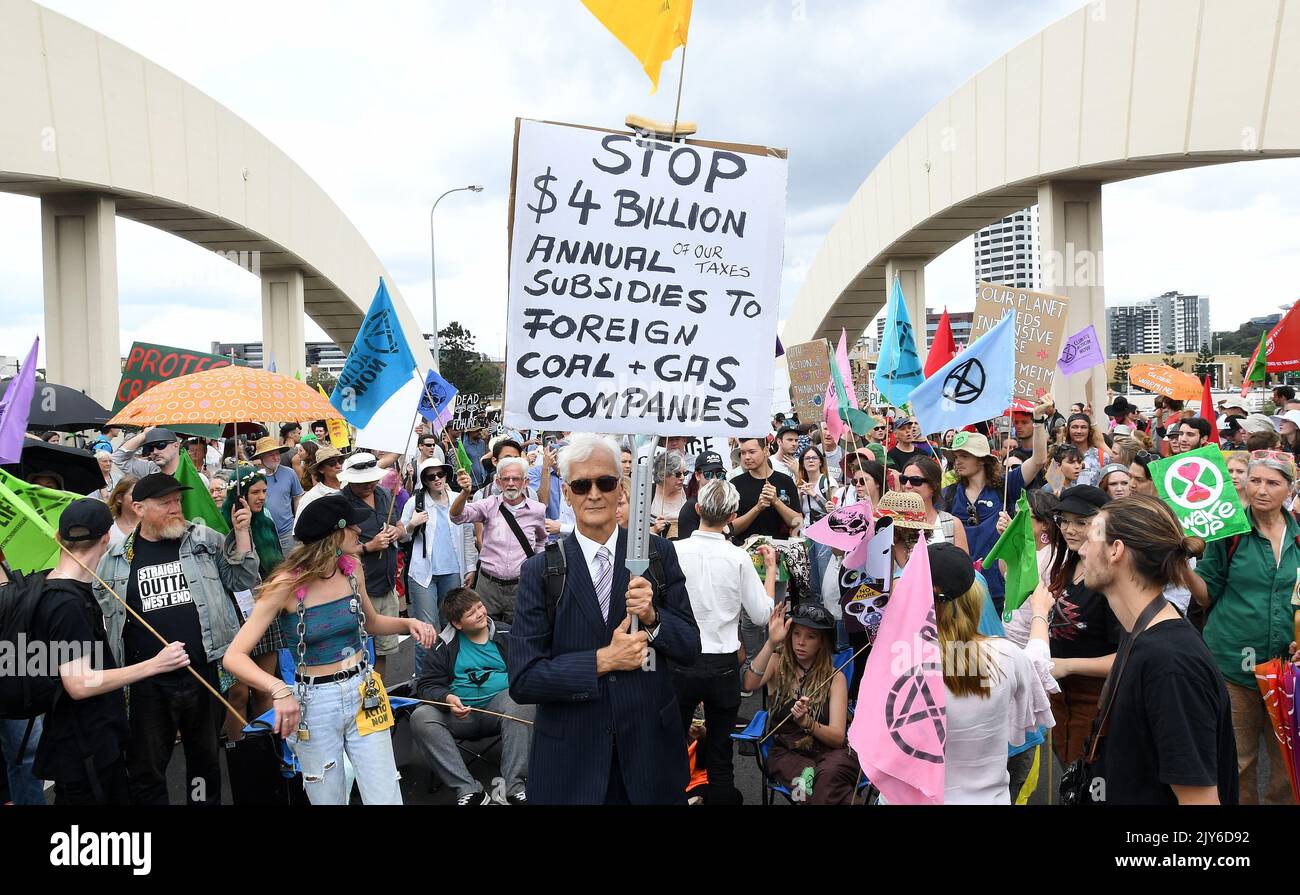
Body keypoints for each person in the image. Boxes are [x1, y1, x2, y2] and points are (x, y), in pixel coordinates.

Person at [508, 433, 701, 804]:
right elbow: (523, 678)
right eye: (581, 485)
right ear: (566, 493)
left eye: (605, 482)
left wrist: (653, 616)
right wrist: (602, 661)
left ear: (619, 489)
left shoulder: (657, 555)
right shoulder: (541, 571)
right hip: (573, 765)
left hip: (649, 759)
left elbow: (691, 646)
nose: (593, 493)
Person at [221, 495, 435, 805]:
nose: (360, 530)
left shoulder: (352, 569)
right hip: (315, 703)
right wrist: (278, 689)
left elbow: (371, 623)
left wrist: (409, 623)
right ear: (335, 534)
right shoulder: (285, 585)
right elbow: (234, 657)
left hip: (365, 691)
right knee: (328, 797)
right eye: (353, 525)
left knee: (385, 792)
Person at [92, 472, 258, 805]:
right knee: (147, 769)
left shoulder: (203, 540)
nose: (175, 508)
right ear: (139, 508)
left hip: (202, 675)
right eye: (165, 502)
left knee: (203, 764)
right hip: (147, 685)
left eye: (177, 500)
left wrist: (241, 534)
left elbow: (242, 579)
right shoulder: (113, 560)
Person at [1077, 495, 1239, 804]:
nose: (1082, 551)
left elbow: (1201, 803)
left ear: (1116, 550)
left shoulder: (1171, 665)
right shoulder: (1140, 632)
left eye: (1090, 540)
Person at [29, 499, 193, 804]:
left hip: (89, 742)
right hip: (84, 749)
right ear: (106, 538)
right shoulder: (67, 604)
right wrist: (154, 665)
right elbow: (78, 684)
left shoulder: (59, 588)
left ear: (58, 537)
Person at [1187, 451, 1300, 804]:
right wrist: (1183, 566)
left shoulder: (1299, 535)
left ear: (1290, 489)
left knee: (1289, 765)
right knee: (1237, 762)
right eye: (1255, 481)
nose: (1262, 490)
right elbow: (1206, 597)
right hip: (1233, 665)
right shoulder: (1228, 531)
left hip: (1287, 671)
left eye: (1272, 483)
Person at [673, 480, 776, 804]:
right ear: (732, 515)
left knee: (672, 748)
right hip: (721, 664)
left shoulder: (674, 550)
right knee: (720, 754)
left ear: (699, 509)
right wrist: (771, 570)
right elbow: (763, 615)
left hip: (683, 660)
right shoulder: (738, 558)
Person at [929, 542, 1057, 804]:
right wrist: (1040, 613)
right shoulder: (1006, 657)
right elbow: (1036, 660)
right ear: (976, 596)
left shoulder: (899, 660)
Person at [411, 587, 534, 805]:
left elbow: (528, 668)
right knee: (421, 716)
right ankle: (468, 789)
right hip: (461, 715)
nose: (479, 613)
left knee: (521, 700)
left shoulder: (507, 633)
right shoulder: (443, 644)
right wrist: (447, 699)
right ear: (457, 624)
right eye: (470, 613)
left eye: (479, 606)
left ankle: (515, 787)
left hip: (500, 708)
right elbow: (427, 685)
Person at [742, 602, 855, 805]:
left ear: (822, 642)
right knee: (809, 783)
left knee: (829, 775)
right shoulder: (777, 663)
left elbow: (838, 738)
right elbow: (749, 684)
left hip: (829, 753)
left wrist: (807, 722)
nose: (800, 642)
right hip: (788, 753)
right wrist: (770, 643)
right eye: (796, 634)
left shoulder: (835, 678)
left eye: (810, 636)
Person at [1042, 485, 1121, 766]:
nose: (1069, 529)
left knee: (1089, 779)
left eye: (1081, 522)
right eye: (1064, 520)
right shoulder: (1067, 563)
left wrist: (1069, 665)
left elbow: (1129, 656)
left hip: (1096, 699)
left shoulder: (1111, 578)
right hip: (1059, 697)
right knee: (1067, 773)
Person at [942, 410, 1047, 611]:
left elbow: (1039, 460)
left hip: (999, 588)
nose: (958, 461)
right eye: (955, 456)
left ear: (982, 459)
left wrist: (1039, 421)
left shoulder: (1006, 486)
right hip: (961, 589)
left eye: (964, 455)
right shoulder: (948, 494)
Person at [400, 456, 478, 673]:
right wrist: (411, 525)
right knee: (426, 629)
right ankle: (424, 678)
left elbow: (467, 535)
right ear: (424, 480)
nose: (436, 479)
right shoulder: (414, 503)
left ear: (447, 475)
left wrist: (471, 566)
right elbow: (401, 537)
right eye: (430, 476)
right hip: (423, 573)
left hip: (453, 571)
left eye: (440, 474)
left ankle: (452, 673)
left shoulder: (457, 498)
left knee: (453, 624)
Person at [451, 456, 547, 624]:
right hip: (488, 585)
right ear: (498, 482)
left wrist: (536, 566)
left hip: (521, 586)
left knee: (518, 633)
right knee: (484, 633)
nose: (510, 483)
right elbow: (456, 516)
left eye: (516, 479)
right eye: (506, 479)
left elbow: (541, 540)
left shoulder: (537, 510)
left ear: (525, 482)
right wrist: (465, 493)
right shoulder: (488, 505)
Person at [338, 452, 406, 680]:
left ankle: (379, 698)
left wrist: (397, 531)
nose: (368, 485)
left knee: (383, 651)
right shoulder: (339, 503)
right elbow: (335, 551)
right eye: (361, 483)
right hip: (356, 589)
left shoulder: (385, 493)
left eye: (372, 480)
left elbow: (398, 525)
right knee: (356, 653)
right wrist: (369, 547)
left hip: (386, 584)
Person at [900, 456, 969, 553]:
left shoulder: (952, 524)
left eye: (916, 480)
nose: (907, 485)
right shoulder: (893, 523)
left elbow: (963, 566)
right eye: (903, 479)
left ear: (934, 485)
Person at [250, 436, 303, 554]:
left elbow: (297, 498)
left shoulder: (289, 473)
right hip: (262, 533)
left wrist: (297, 524)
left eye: (277, 453)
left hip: (287, 532)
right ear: (261, 457)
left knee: (290, 568)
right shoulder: (253, 477)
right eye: (271, 454)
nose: (276, 457)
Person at [676, 451, 728, 541]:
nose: (715, 479)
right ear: (697, 475)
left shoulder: (724, 501)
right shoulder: (690, 507)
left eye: (720, 474)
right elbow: (688, 545)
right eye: (709, 474)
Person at [111, 427, 182, 480]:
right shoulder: (150, 469)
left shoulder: (188, 470)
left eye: (160, 445)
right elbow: (118, 458)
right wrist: (144, 435)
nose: (155, 452)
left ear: (176, 446)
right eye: (150, 448)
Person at [296, 445, 344, 521]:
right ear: (321, 469)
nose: (338, 466)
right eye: (332, 463)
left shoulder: (350, 486)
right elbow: (297, 529)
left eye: (341, 461)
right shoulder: (311, 497)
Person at [650, 450, 688, 540]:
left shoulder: (689, 492)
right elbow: (634, 528)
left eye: (685, 473)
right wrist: (653, 529)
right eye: (678, 474)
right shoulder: (647, 494)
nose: (682, 478)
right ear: (663, 475)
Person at [1062, 413, 1107, 486]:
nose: (1079, 431)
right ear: (1068, 430)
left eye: (1083, 427)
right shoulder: (1060, 454)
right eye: (1075, 427)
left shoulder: (1102, 456)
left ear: (1089, 430)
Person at [105, 475, 140, 548]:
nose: (139, 498)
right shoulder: (107, 528)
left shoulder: (151, 525)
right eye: (134, 494)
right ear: (119, 498)